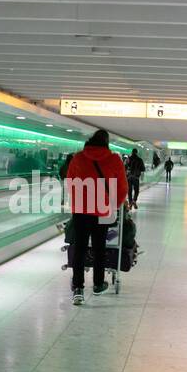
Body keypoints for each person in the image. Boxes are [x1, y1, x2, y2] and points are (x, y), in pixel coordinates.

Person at [66, 129, 128, 305]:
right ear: (106, 143)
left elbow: (70, 182)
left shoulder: (78, 158)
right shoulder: (114, 159)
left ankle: (78, 288)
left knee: (80, 248)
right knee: (100, 247)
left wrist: (77, 201)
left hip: (81, 211)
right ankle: (98, 284)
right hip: (102, 211)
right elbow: (122, 188)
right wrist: (113, 205)